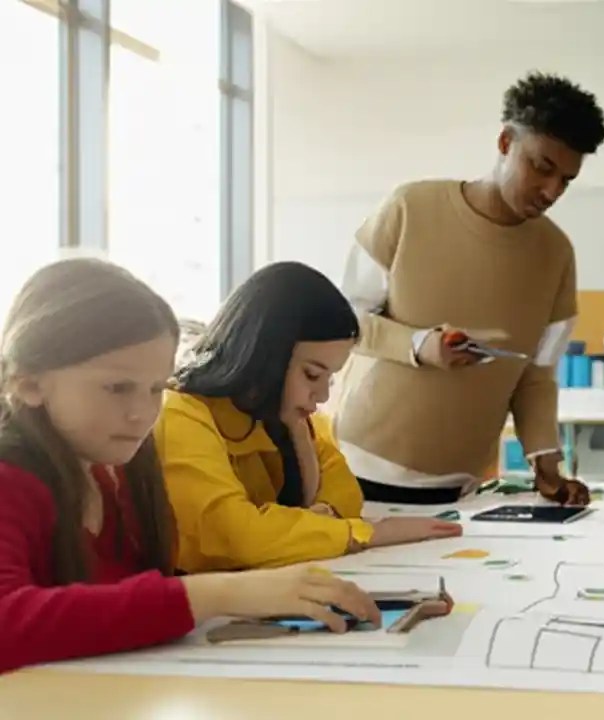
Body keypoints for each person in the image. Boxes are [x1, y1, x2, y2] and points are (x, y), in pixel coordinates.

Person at [0, 259, 380, 673]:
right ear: (29, 383)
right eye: (118, 388)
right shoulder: (11, 479)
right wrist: (218, 594)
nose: (142, 414)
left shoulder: (121, 467)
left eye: (155, 389)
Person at [333, 71, 604, 507]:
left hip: (463, 486)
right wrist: (420, 345)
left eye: (566, 180)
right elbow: (341, 322)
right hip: (356, 468)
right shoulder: (410, 208)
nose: (552, 190)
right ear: (505, 143)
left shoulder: (556, 255)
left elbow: (536, 377)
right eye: (542, 167)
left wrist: (547, 466)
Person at [158, 262, 461, 573]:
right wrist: (366, 533)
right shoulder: (181, 415)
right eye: (312, 374)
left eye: (328, 379)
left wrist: (312, 507)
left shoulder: (289, 416)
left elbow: (345, 494)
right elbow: (236, 537)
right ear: (264, 355)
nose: (323, 395)